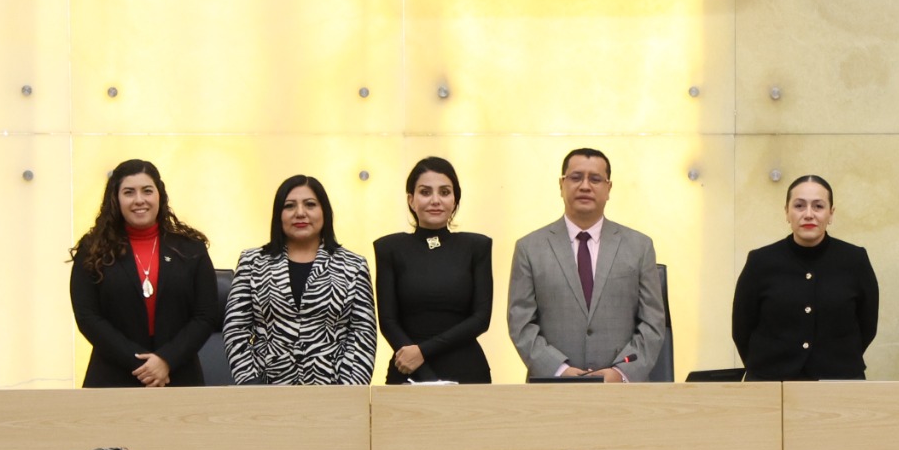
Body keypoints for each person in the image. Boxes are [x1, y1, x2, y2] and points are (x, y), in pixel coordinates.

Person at [506, 148, 669, 381]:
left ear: (609, 188)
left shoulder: (639, 247)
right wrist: (559, 371)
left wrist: (620, 373)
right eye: (575, 177)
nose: (585, 186)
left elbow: (653, 322)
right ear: (561, 185)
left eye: (595, 179)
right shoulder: (530, 248)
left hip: (621, 392)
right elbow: (521, 323)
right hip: (551, 389)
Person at [68, 158, 220, 389]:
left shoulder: (190, 249)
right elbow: (88, 317)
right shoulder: (92, 250)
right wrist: (142, 364)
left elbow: (206, 315)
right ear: (115, 199)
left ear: (159, 195)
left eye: (147, 191)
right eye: (129, 192)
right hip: (112, 378)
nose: (139, 200)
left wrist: (167, 360)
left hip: (178, 376)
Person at [223, 174, 377, 386]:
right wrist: (250, 382)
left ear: (324, 212)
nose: (300, 213)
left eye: (310, 205)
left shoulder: (353, 265)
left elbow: (362, 334)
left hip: (333, 390)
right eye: (289, 206)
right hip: (265, 389)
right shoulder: (252, 262)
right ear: (279, 214)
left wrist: (349, 389)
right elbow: (236, 328)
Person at [729, 175, 881, 380]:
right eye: (799, 206)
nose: (808, 214)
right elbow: (742, 328)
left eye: (818, 206)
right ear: (786, 212)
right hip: (771, 381)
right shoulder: (761, 261)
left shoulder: (855, 260)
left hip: (838, 380)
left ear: (831, 213)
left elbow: (867, 325)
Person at [374, 156, 494, 384]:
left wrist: (422, 351)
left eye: (445, 192)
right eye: (425, 192)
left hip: (466, 370)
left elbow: (481, 319)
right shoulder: (389, 248)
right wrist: (419, 364)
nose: (435, 200)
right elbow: (388, 321)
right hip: (407, 368)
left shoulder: (477, 246)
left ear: (455, 200)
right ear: (411, 200)